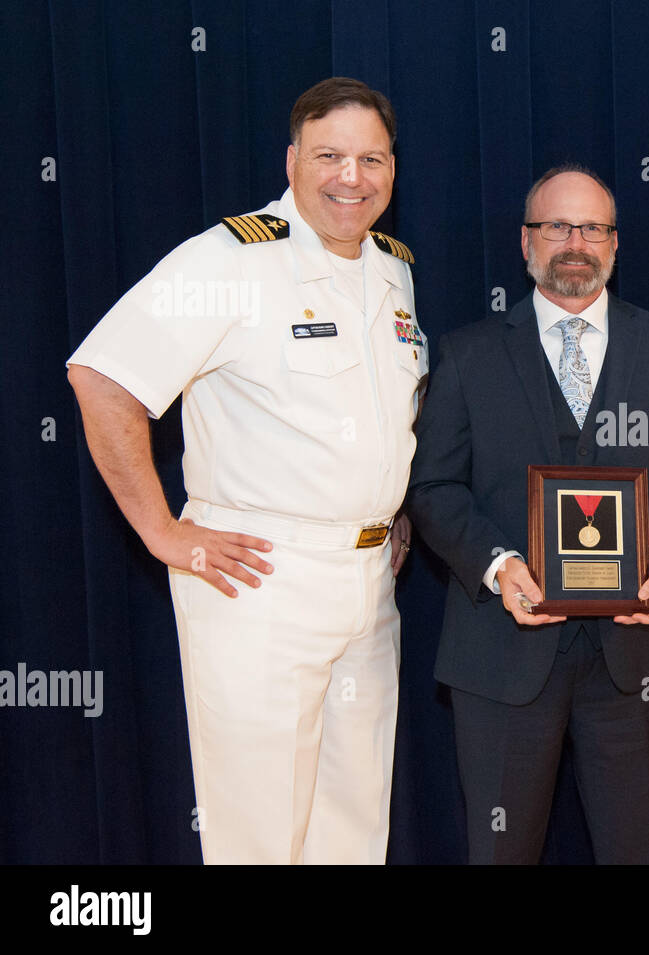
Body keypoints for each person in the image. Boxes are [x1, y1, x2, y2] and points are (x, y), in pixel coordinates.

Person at [66, 77, 424, 864]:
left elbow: (384, 410)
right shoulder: (227, 259)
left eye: (371, 159)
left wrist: (389, 509)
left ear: (393, 171)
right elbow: (102, 377)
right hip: (259, 582)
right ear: (293, 160)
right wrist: (163, 531)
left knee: (353, 828)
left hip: (368, 587)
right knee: (259, 835)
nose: (351, 177)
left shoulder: (392, 269)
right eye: (330, 155)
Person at [406, 165, 649, 864]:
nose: (575, 241)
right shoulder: (467, 353)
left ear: (615, 245)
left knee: (633, 849)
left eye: (592, 228)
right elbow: (432, 487)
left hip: (629, 657)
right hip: (500, 652)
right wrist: (498, 566)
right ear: (527, 244)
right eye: (557, 226)